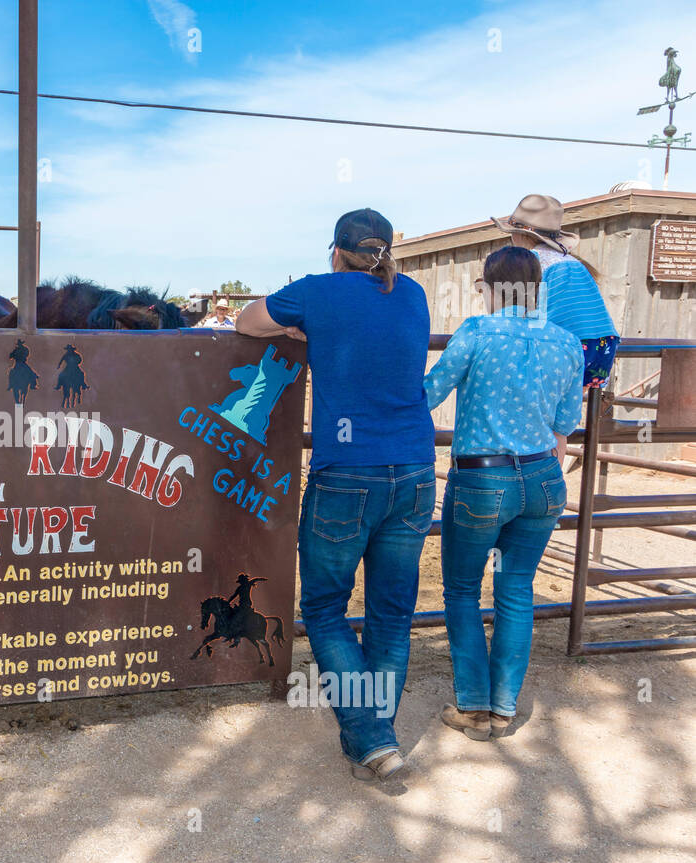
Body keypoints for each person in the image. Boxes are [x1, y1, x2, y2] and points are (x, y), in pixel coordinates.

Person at [236, 208, 436, 782]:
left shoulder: (317, 292)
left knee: (324, 607)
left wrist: (296, 326)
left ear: (336, 251)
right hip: (415, 468)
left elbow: (249, 322)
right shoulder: (414, 293)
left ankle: (371, 735)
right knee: (392, 613)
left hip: (346, 472)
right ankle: (377, 733)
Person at [424, 246, 582, 741]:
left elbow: (429, 392)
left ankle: (472, 705)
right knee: (515, 590)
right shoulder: (567, 342)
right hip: (542, 478)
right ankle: (503, 707)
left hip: (482, 478)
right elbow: (566, 423)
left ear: (491, 288)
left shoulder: (476, 331)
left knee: (463, 590)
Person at [492, 194, 618, 387]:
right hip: (602, 350)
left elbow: (516, 314)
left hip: (562, 348)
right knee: (563, 407)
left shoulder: (528, 261)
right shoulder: (572, 261)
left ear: (519, 234)